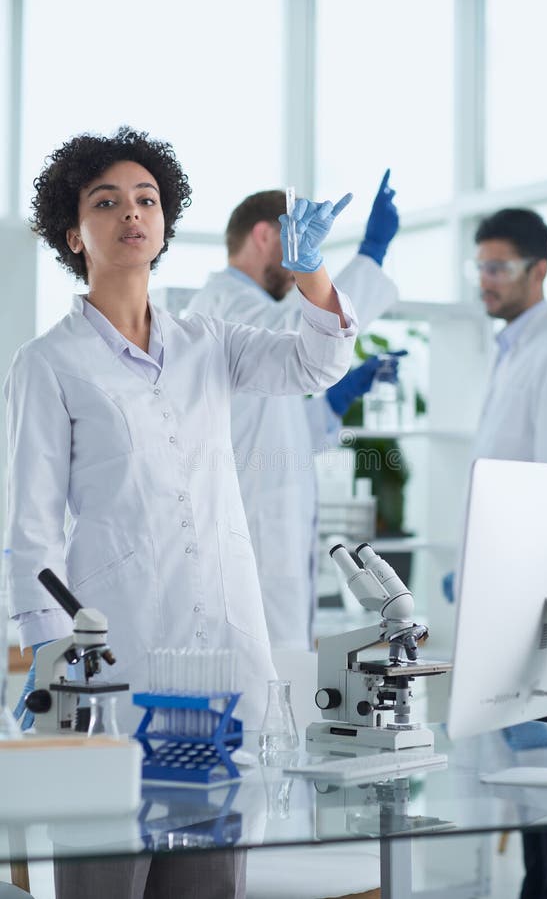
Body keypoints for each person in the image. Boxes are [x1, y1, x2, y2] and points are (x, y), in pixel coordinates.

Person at [5, 126, 357, 899]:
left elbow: (316, 359)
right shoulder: (49, 364)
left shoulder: (209, 341)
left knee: (208, 886)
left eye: (147, 199)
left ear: (164, 224)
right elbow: (29, 537)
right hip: (115, 679)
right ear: (74, 233)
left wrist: (310, 271)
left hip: (218, 675)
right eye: (107, 202)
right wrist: (59, 673)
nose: (132, 212)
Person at [448, 207, 547, 899]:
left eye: (499, 267)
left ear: (539, 270)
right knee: (527, 791)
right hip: (506, 610)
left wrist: (531, 609)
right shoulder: (513, 351)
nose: (486, 280)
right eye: (480, 265)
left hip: (538, 618)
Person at [185, 171, 402, 650]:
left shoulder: (248, 307)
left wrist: (336, 400)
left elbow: (267, 424)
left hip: (268, 525)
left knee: (282, 679)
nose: (298, 266)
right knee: (262, 687)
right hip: (251, 534)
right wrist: (370, 257)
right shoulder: (226, 303)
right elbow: (299, 329)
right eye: (297, 245)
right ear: (267, 236)